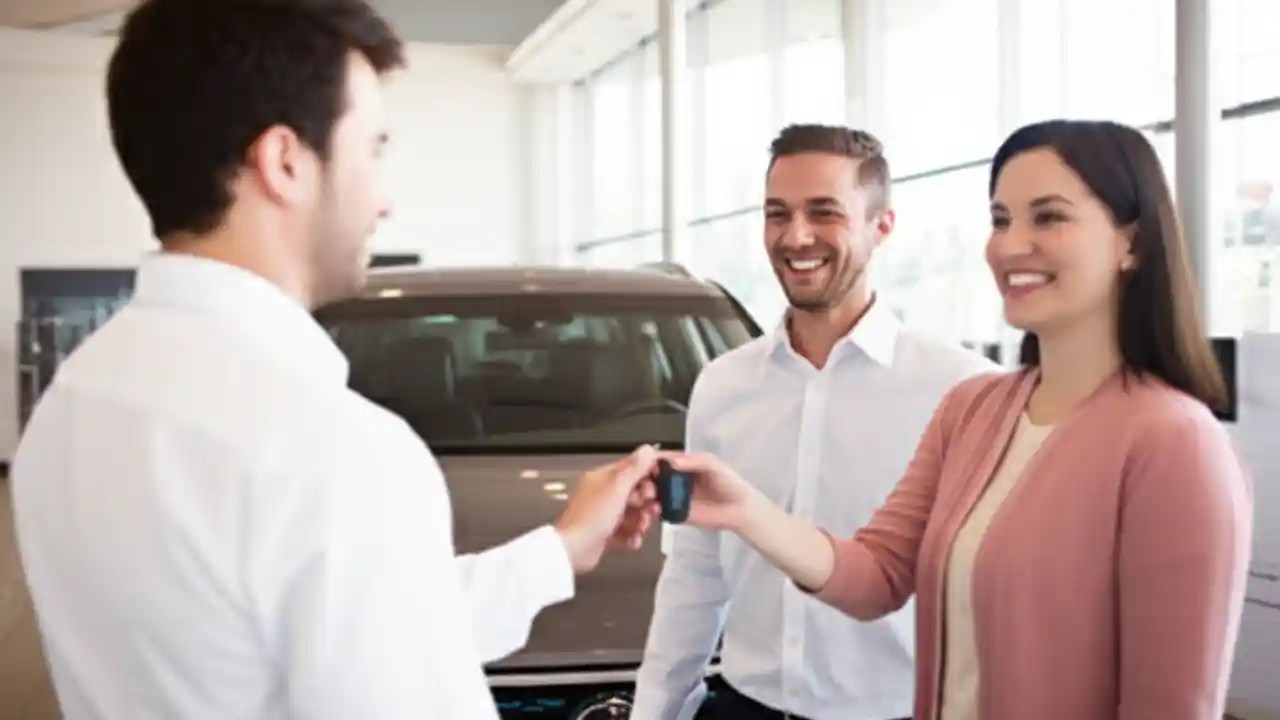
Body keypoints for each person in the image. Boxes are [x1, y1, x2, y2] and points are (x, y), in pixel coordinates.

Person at [10, 1, 658, 718]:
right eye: (373, 148)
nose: (383, 201)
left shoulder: (75, 402)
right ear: (285, 162)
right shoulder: (335, 452)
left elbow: (348, 625)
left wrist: (559, 551)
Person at [657, 119, 1254, 719]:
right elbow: (878, 573)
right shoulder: (976, 410)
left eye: (1048, 217)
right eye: (1000, 220)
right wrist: (744, 509)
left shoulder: (1174, 444)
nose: (1011, 245)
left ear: (1134, 243)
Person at [631, 125, 995, 720]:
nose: (796, 236)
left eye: (824, 212)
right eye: (778, 214)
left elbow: (986, 589)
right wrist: (656, 711)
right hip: (748, 706)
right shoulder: (722, 386)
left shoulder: (962, 387)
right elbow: (696, 574)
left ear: (882, 226)